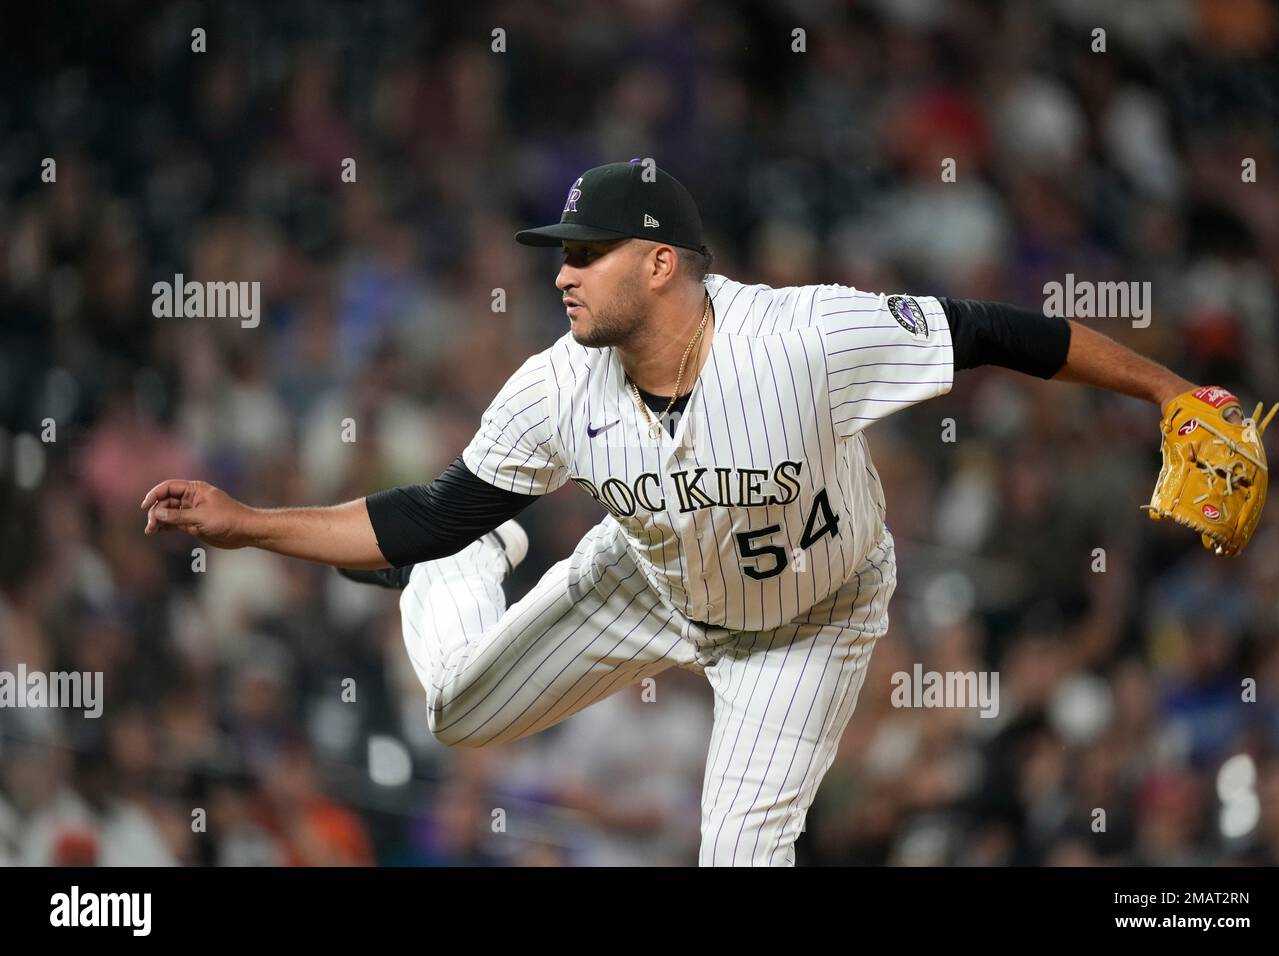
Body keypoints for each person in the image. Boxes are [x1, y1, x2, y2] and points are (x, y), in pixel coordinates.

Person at [142, 159, 1200, 866]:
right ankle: (473, 571)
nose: (559, 273)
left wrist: (1167, 392)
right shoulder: (556, 385)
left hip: (807, 625)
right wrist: (248, 522)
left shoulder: (803, 338)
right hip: (648, 579)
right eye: (557, 253)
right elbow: (426, 512)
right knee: (456, 706)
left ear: (657, 262)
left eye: (580, 252)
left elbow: (995, 331)